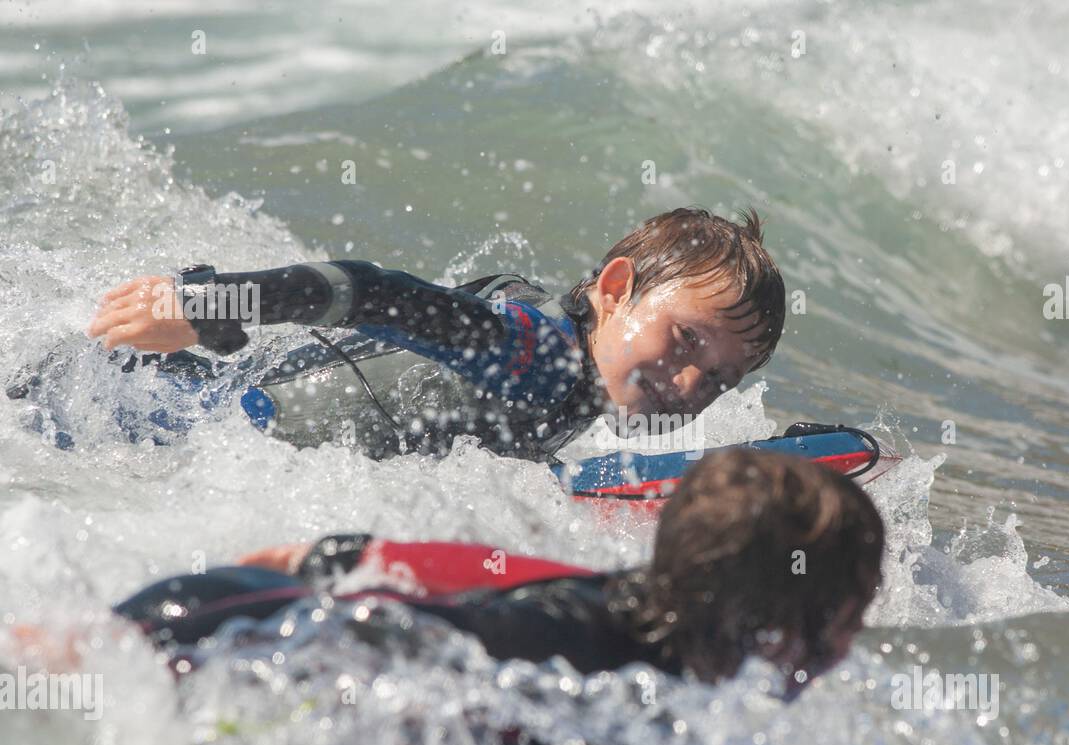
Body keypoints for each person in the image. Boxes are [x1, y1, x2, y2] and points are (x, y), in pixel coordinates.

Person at [10, 208, 786, 461]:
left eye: (718, 378)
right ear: (615, 290)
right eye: (686, 340)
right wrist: (214, 303)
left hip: (211, 405)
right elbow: (375, 293)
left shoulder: (564, 354)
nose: (689, 383)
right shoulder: (536, 354)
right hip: (162, 421)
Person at [115, 448, 886, 692]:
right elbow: (370, 628)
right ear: (784, 618)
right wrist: (132, 655)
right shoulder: (592, 653)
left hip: (254, 592)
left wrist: (338, 556)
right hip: (205, 622)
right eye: (853, 608)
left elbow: (506, 570)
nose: (852, 642)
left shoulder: (664, 615)